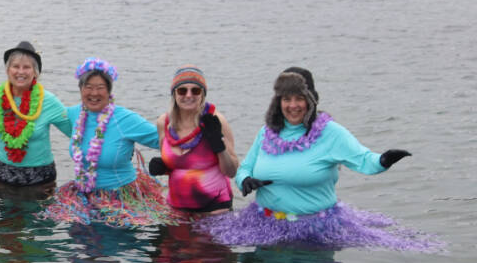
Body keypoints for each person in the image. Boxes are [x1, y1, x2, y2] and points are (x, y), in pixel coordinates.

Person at [199, 67, 436, 250]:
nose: (293, 106)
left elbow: (363, 159)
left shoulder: (331, 133)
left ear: (311, 100)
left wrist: (383, 160)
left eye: (299, 98)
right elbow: (245, 167)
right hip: (263, 225)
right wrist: (246, 180)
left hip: (313, 233)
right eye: (286, 98)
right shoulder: (267, 132)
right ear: (278, 101)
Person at [45, 58, 179, 226]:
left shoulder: (124, 119)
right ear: (80, 90)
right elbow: (42, 113)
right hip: (83, 197)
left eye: (100, 88)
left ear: (109, 91)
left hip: (122, 199)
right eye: (88, 87)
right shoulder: (73, 114)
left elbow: (163, 139)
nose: (94, 93)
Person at [147, 66, 240, 214]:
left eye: (195, 90)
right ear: (174, 94)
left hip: (215, 211)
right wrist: (163, 168)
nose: (188, 95)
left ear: (203, 94)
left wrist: (219, 147)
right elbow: (180, 166)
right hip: (177, 212)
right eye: (182, 90)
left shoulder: (216, 120)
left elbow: (232, 171)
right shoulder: (163, 123)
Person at [0, 41, 72, 191]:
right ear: (7, 70)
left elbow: (75, 132)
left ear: (35, 72)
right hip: (2, 173)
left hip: (40, 177)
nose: (20, 72)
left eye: (26, 67)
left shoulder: (49, 101)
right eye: (16, 66)